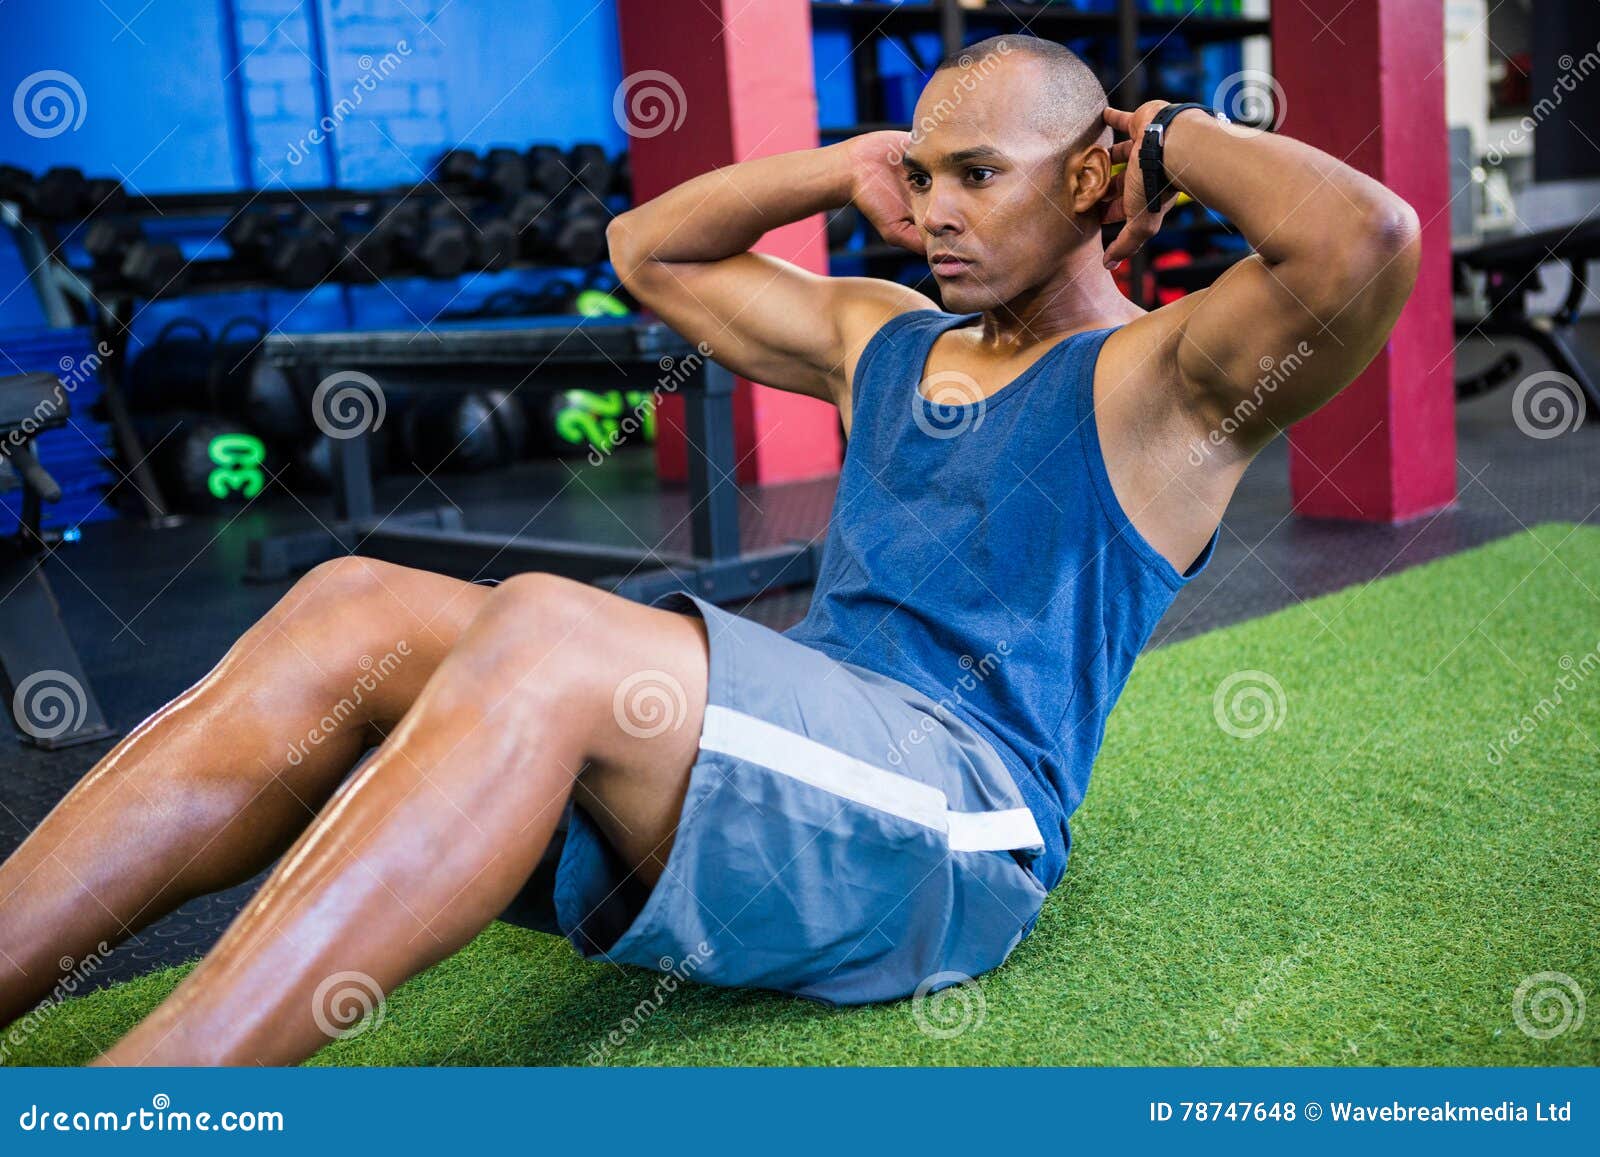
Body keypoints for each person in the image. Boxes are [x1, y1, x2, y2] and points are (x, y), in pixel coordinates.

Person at [0, 36, 1419, 1065]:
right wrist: (841, 167)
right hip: (800, 754)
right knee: (348, 602)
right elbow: (645, 251)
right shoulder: (885, 336)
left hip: (959, 823)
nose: (935, 211)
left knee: (551, 629)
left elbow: (1366, 238)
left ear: (1093, 178)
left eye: (980, 175)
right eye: (924, 175)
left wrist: (1164, 135)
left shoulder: (1171, 384)